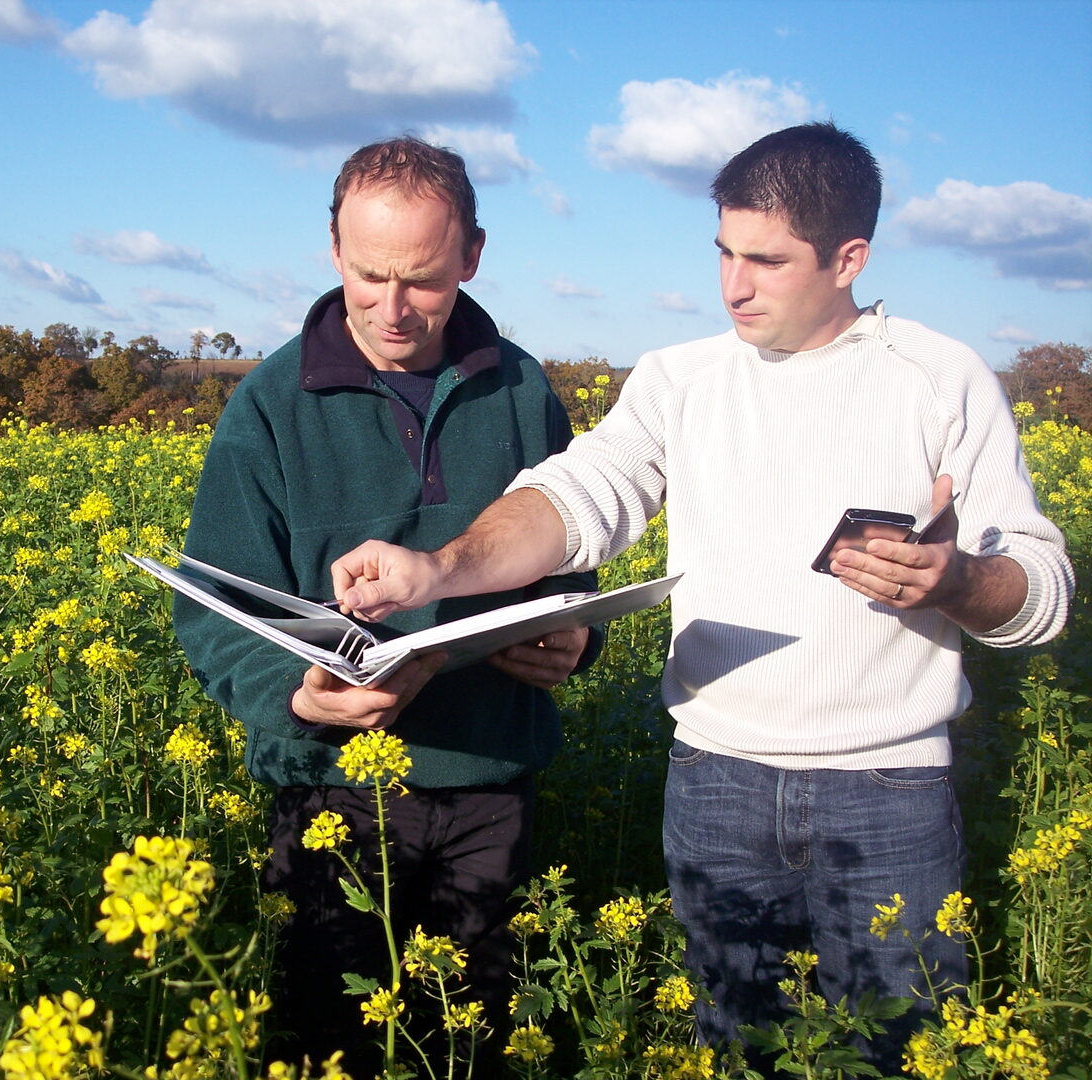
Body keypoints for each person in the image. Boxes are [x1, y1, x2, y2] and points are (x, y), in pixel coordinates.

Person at [330, 122, 1074, 1069]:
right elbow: (574, 496)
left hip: (891, 791)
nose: (734, 285)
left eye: (767, 260)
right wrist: (439, 569)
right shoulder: (682, 380)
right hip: (716, 781)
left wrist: (960, 578)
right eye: (723, 251)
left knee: (904, 1046)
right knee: (733, 1049)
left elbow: (1041, 590)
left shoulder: (937, 379)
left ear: (850, 257)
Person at [172, 136, 603, 1075]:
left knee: (477, 1041)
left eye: (424, 280)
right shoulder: (270, 404)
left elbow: (572, 554)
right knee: (331, 1045)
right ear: (334, 248)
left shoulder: (522, 390)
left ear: (472, 257)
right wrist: (297, 692)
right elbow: (209, 611)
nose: (393, 307)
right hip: (333, 793)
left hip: (491, 779)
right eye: (370, 276)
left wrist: (577, 634)